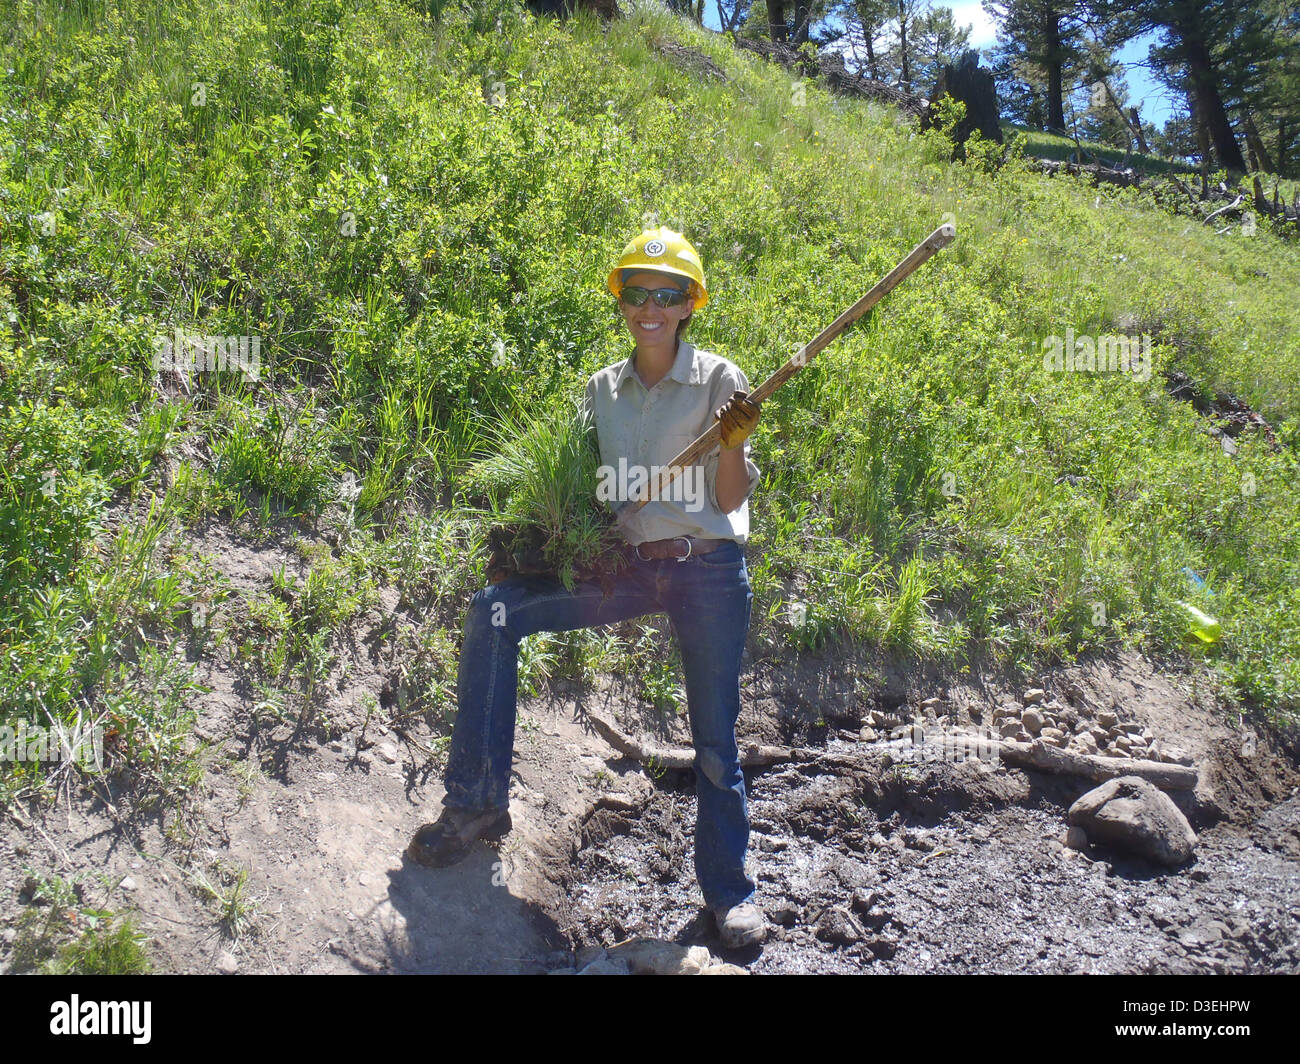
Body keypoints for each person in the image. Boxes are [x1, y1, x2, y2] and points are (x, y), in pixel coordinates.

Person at [407, 227, 768, 949]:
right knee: (496, 611)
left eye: (667, 296)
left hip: (706, 570)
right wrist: (536, 542)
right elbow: (576, 490)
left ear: (690, 305)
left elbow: (728, 501)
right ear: (623, 303)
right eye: (637, 294)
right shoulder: (600, 391)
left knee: (716, 743)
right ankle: (476, 803)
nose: (651, 308)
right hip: (628, 567)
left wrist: (732, 443)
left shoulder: (722, 381)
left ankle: (731, 894)